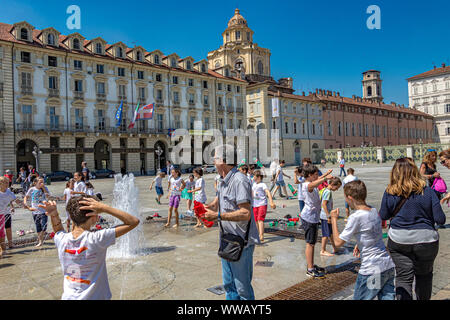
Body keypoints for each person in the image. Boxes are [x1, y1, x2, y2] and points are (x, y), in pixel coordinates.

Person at [41, 195, 139, 300]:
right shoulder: (97, 239)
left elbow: (58, 230)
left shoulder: (62, 240)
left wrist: (54, 215)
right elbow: (133, 222)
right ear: (93, 217)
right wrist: (105, 208)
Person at [379, 157, 446, 300]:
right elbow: (441, 219)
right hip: (426, 240)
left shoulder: (390, 191)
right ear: (415, 171)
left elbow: (383, 215)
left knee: (403, 278)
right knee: (424, 276)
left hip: (399, 240)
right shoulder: (427, 191)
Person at [203, 144, 260, 300]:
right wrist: (212, 205)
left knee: (242, 289)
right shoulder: (223, 180)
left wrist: (218, 216)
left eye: (215, 158)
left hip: (241, 242)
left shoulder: (240, 180)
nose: (213, 161)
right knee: (229, 286)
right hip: (227, 239)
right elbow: (222, 199)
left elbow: (245, 213)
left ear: (223, 160)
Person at [329, 180, 396, 300]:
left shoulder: (356, 217)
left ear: (350, 198)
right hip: (387, 264)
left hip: (372, 269)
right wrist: (360, 244)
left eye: (346, 198)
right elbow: (373, 232)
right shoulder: (373, 210)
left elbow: (338, 243)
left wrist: (334, 220)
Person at [300, 165, 333, 278]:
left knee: (312, 243)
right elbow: (313, 184)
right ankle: (310, 269)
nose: (317, 177)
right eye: (314, 175)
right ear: (309, 175)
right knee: (310, 244)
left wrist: (325, 175)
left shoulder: (310, 182)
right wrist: (325, 179)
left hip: (312, 218)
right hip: (309, 218)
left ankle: (312, 265)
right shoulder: (306, 185)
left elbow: (316, 180)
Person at [23, 177, 50, 247]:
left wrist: (43, 188)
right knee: (38, 227)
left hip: (43, 210)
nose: (42, 184)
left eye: (43, 182)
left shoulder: (45, 188)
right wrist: (26, 203)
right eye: (40, 182)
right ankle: (40, 241)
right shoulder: (32, 189)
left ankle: (42, 236)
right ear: (35, 183)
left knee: (44, 226)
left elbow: (48, 196)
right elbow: (26, 197)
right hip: (35, 211)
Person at [320, 177, 342, 256]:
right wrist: (328, 215)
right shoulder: (328, 192)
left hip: (326, 215)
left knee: (331, 233)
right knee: (325, 234)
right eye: (337, 187)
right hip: (325, 216)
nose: (337, 189)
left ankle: (335, 248)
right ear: (333, 185)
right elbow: (324, 204)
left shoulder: (326, 190)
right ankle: (323, 250)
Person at [252, 170, 276, 242]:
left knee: (260, 220)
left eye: (254, 176)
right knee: (256, 220)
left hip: (262, 204)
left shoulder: (263, 184)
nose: (253, 177)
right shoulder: (254, 184)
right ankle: (257, 234)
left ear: (259, 177)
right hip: (255, 204)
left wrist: (271, 202)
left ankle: (261, 235)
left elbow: (268, 192)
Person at [0, 177, 18, 256]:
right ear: (0, 184)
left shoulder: (8, 191)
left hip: (6, 212)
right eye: (6, 183)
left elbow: (13, 199)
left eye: (8, 182)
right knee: (1, 231)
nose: (8, 184)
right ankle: (2, 248)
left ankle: (10, 244)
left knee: (8, 228)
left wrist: (12, 206)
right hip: (0, 214)